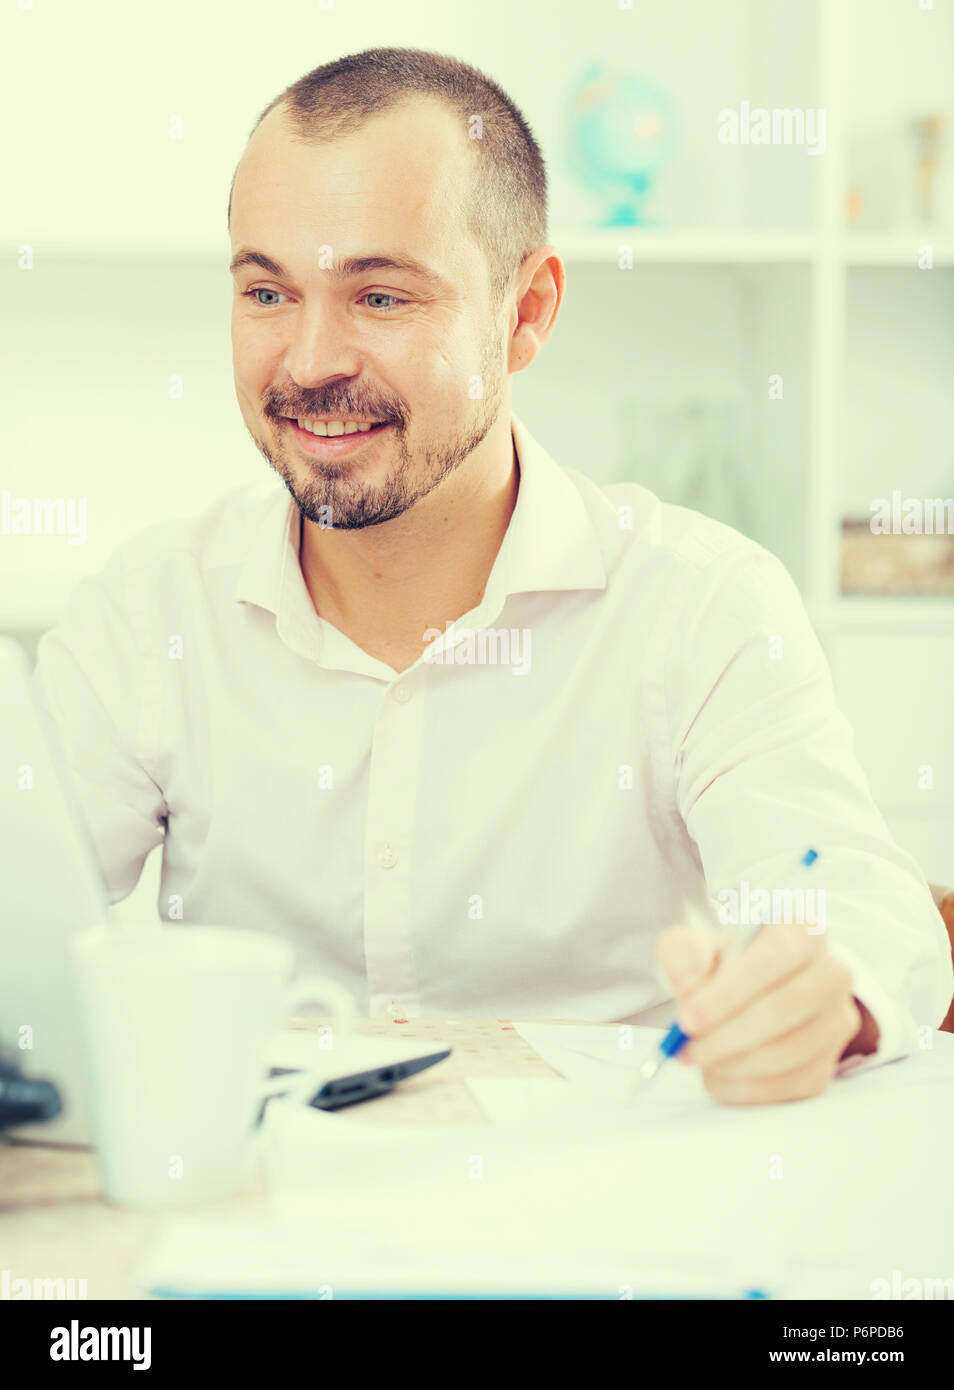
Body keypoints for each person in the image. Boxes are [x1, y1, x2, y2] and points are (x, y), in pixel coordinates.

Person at [33, 47, 952, 1106]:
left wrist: (820, 992)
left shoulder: (701, 604)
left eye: (380, 295)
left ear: (526, 314)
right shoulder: (149, 613)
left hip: (607, 1224)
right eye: (267, 290)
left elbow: (860, 908)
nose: (310, 359)